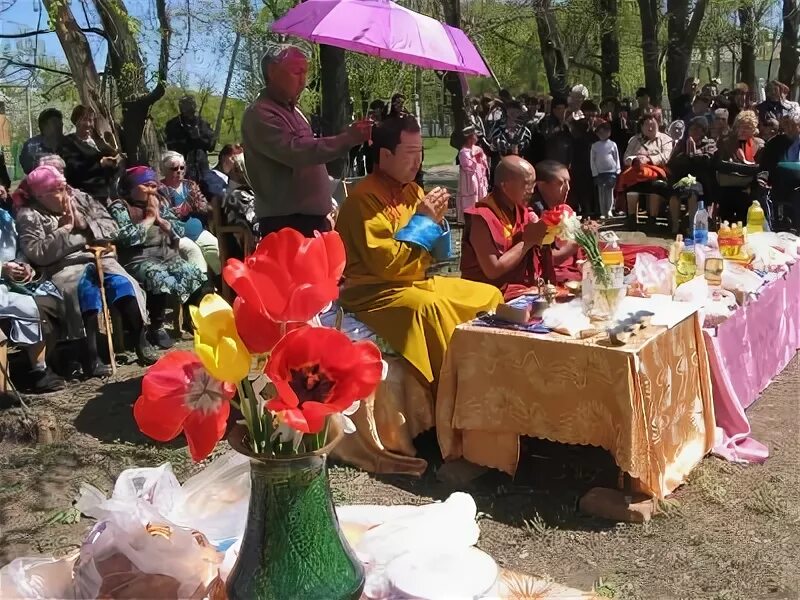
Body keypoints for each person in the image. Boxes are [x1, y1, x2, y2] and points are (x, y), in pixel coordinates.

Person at [335, 114, 503, 388]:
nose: (418, 162)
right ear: (385, 155)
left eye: (420, 153)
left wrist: (437, 222)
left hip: (414, 282)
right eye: (410, 153)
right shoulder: (361, 200)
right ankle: (454, 392)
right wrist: (424, 221)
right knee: (429, 309)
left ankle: (491, 376)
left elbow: (439, 256)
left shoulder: (412, 191)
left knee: (487, 295)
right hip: (373, 293)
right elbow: (386, 266)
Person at [15, 166, 156, 374]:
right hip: (65, 266)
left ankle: (140, 341)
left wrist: (85, 225)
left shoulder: (80, 198)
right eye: (57, 190)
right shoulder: (29, 214)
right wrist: (66, 230)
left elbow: (111, 227)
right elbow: (38, 252)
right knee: (84, 293)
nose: (65, 194)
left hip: (100, 256)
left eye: (64, 187)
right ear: (40, 195)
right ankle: (90, 357)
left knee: (125, 286)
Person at [241, 44, 371, 237]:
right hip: (286, 225)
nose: (303, 80)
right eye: (296, 71)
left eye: (305, 72)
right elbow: (298, 151)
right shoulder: (260, 113)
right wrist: (347, 139)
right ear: (272, 71)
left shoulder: (296, 112)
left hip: (311, 222)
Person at [108, 167, 209, 349]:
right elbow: (126, 238)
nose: (151, 190)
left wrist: (162, 221)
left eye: (154, 186)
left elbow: (179, 229)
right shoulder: (120, 206)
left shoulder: (160, 202)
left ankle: (192, 318)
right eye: (146, 186)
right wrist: (148, 219)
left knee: (193, 273)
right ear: (131, 187)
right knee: (157, 275)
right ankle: (157, 326)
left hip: (166, 256)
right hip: (137, 259)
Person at [460, 156, 547, 299]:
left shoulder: (521, 210)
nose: (531, 191)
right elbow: (492, 270)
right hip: (485, 296)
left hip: (517, 288)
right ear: (505, 185)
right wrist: (527, 242)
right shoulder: (481, 217)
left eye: (533, 184)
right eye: (526, 184)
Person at [0, 206, 65, 392]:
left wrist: (23, 264)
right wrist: (2, 268)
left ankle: (41, 368)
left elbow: (19, 248)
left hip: (9, 283)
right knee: (27, 307)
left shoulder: (4, 216)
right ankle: (35, 372)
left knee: (45, 301)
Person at [158, 151, 221, 274]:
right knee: (196, 258)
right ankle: (203, 288)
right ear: (163, 170)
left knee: (217, 250)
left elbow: (203, 206)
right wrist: (187, 207)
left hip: (198, 232)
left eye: (182, 167)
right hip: (176, 236)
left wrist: (198, 205)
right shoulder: (160, 190)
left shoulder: (190, 185)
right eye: (174, 168)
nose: (179, 171)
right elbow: (167, 214)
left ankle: (223, 285)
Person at [59, 105, 123, 203]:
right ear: (76, 121)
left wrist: (116, 163)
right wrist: (100, 164)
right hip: (83, 198)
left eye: (91, 120)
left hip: (106, 196)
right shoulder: (68, 143)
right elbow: (73, 170)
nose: (89, 124)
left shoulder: (99, 142)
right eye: (85, 119)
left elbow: (112, 172)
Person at [531, 160, 580, 282]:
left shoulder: (564, 209)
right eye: (561, 183)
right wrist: (576, 243)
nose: (568, 188)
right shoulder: (532, 214)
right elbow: (539, 261)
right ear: (541, 185)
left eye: (568, 182)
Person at [666, 116, 717, 234]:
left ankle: (692, 227)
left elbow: (708, 160)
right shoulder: (681, 144)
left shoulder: (709, 143)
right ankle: (675, 226)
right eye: (692, 129)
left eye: (698, 129)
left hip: (702, 181)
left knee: (692, 194)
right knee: (674, 196)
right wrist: (686, 155)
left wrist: (694, 154)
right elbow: (672, 163)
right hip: (682, 178)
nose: (695, 132)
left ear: (704, 131)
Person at [621, 113, 674, 226]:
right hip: (636, 171)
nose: (650, 128)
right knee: (630, 184)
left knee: (655, 186)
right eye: (646, 125)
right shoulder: (634, 140)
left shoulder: (666, 139)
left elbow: (666, 157)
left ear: (658, 125)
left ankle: (652, 218)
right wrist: (635, 160)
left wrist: (648, 159)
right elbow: (626, 157)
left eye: (653, 125)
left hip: (657, 173)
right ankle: (631, 218)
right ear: (641, 127)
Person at [717, 110, 765, 223]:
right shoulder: (726, 142)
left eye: (747, 127)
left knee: (747, 199)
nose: (743, 130)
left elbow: (760, 168)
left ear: (754, 130)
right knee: (728, 200)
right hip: (728, 184)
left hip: (748, 187)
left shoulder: (759, 145)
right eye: (741, 126)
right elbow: (720, 165)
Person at [164, 96, 217, 185]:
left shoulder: (202, 124)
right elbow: (170, 147)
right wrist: (186, 141)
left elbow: (211, 145)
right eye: (185, 106)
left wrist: (198, 138)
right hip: (181, 168)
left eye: (191, 106)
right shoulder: (173, 125)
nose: (189, 110)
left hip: (202, 169)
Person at [456, 126, 489, 225]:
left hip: (480, 179)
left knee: (481, 199)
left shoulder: (478, 149)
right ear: (470, 137)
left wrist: (481, 157)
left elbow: (484, 162)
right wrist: (475, 156)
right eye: (475, 136)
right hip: (470, 182)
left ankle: (480, 218)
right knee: (470, 202)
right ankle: (469, 220)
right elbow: (468, 167)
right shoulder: (463, 152)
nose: (477, 138)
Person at [591, 120, 621, 218]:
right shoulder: (595, 146)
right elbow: (592, 160)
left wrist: (618, 169)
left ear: (609, 132)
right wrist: (594, 172)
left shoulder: (613, 144)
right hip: (600, 173)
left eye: (605, 131)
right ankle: (602, 211)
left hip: (611, 172)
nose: (602, 134)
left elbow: (616, 157)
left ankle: (609, 210)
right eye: (600, 132)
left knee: (610, 192)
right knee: (601, 192)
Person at [19, 109, 64, 175]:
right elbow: (28, 169)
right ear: (44, 126)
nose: (59, 126)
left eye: (60, 123)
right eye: (55, 122)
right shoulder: (31, 146)